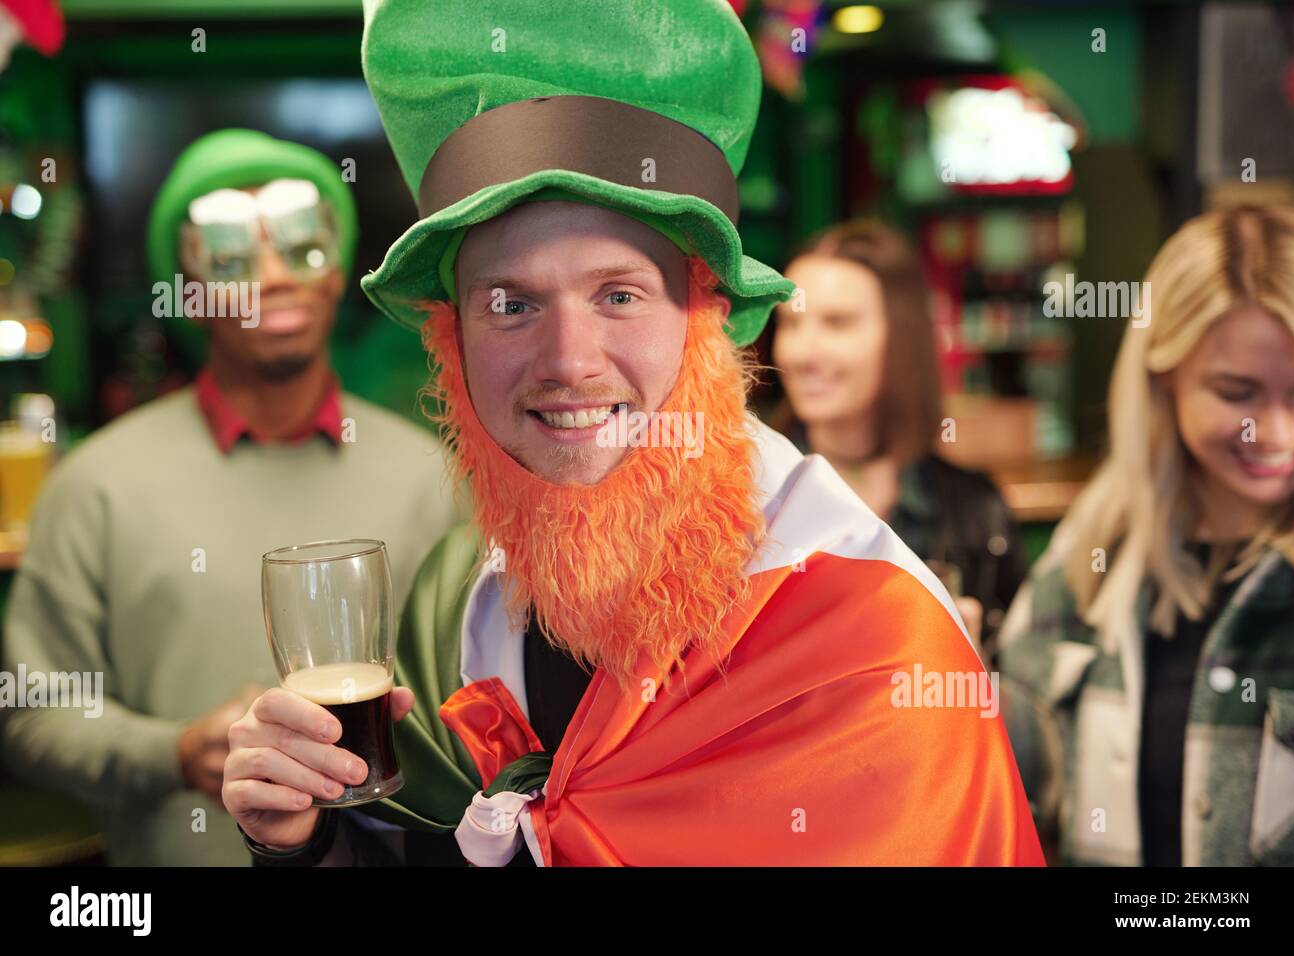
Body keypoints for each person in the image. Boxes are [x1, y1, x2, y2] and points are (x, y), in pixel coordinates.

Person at [223, 0, 1043, 867]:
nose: (569, 363)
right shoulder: (453, 603)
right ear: (450, 342)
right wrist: (302, 838)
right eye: (511, 304)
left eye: (620, 294)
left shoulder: (871, 638)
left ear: (707, 317)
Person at [0, 129, 459, 865]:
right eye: (233, 257)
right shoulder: (96, 486)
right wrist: (173, 752)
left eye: (302, 248)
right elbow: (32, 714)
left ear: (338, 270)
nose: (273, 277)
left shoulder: (433, 476)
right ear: (187, 289)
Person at [998, 205, 1294, 866]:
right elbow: (1003, 789)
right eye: (1238, 393)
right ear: (1164, 377)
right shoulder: (1090, 554)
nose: (1278, 433)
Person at [772, 220, 1026, 653]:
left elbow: (1016, 695)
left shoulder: (973, 511)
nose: (803, 352)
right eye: (791, 324)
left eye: (837, 323)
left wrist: (968, 660)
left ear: (900, 335)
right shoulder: (744, 495)